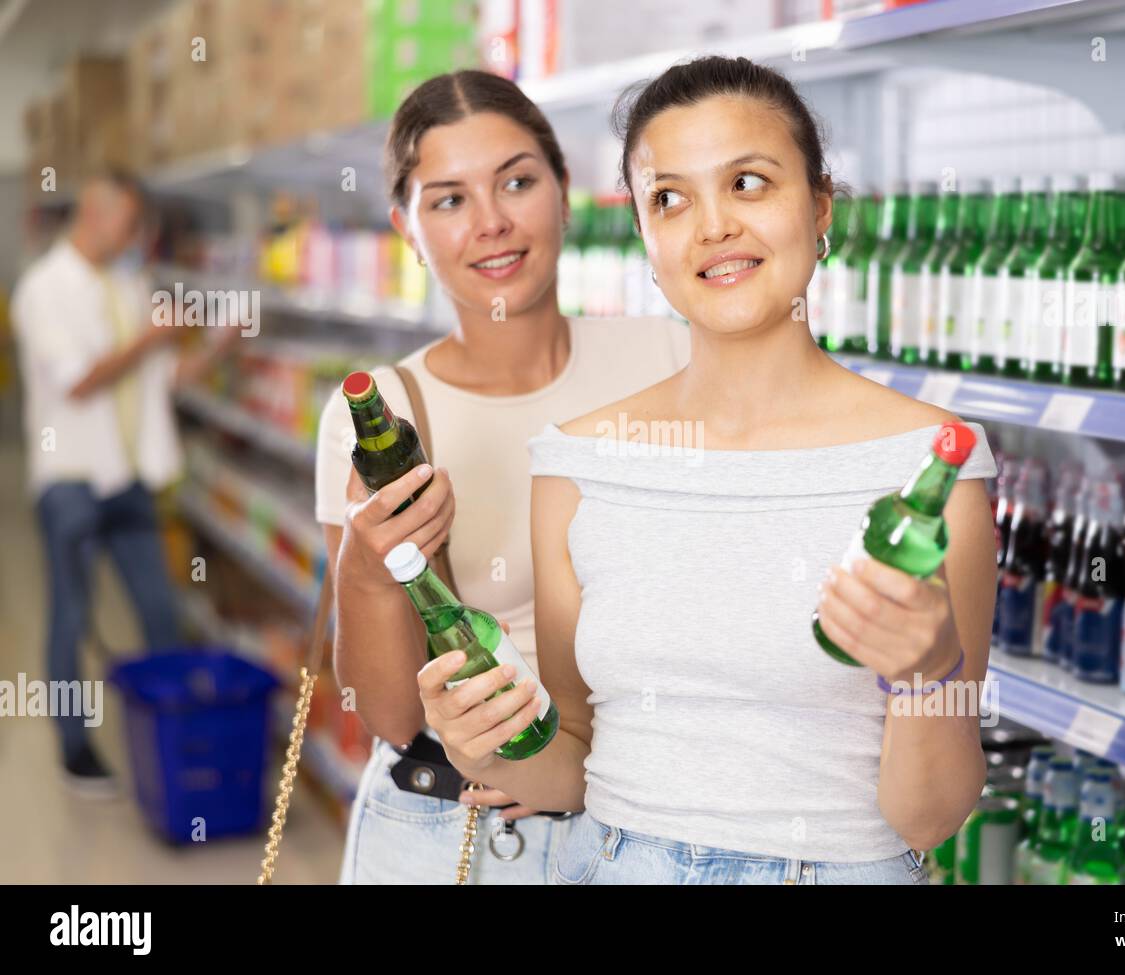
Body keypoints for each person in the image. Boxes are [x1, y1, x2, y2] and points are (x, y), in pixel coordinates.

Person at [415, 56, 999, 885]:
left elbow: (931, 817)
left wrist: (927, 672)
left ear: (821, 204)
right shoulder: (578, 465)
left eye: (750, 183)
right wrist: (482, 740)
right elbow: (571, 767)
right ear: (646, 243)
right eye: (670, 198)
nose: (713, 225)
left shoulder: (928, 468)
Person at [314, 70, 689, 885]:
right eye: (447, 200)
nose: (491, 223)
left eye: (517, 181)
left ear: (564, 192)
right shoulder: (380, 417)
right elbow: (390, 716)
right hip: (458, 832)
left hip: (645, 827)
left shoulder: (668, 356)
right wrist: (372, 576)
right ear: (406, 231)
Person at [12, 169, 233, 794]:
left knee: (161, 612)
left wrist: (216, 347)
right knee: (72, 615)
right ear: (98, 213)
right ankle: (74, 749)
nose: (140, 236)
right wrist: (149, 340)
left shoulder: (129, 284)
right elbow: (78, 382)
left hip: (130, 477)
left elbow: (162, 377)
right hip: (73, 480)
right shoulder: (42, 289)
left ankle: (174, 736)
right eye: (132, 223)